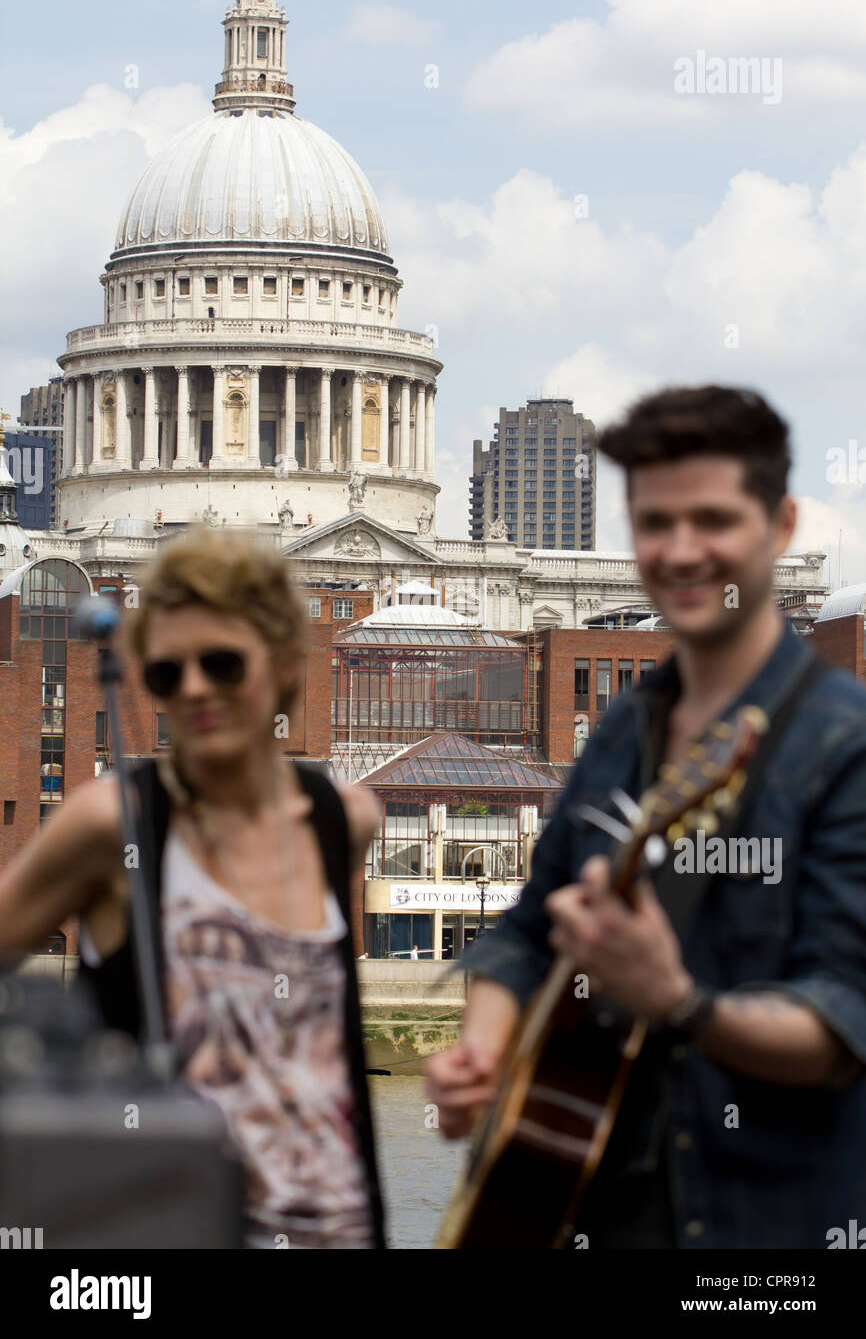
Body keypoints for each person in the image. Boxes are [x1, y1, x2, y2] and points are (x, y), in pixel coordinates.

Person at [427, 385, 866, 1249]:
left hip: (771, 1232)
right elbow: (526, 929)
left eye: (712, 520)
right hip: (601, 1207)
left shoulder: (842, 748)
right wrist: (483, 1053)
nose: (681, 551)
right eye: (655, 524)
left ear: (779, 528)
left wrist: (679, 1001)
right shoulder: (627, 728)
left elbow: (841, 1020)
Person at [0, 528, 386, 1250]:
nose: (196, 689)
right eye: (166, 674)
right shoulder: (113, 821)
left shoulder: (345, 819)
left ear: (283, 663)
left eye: (221, 663)